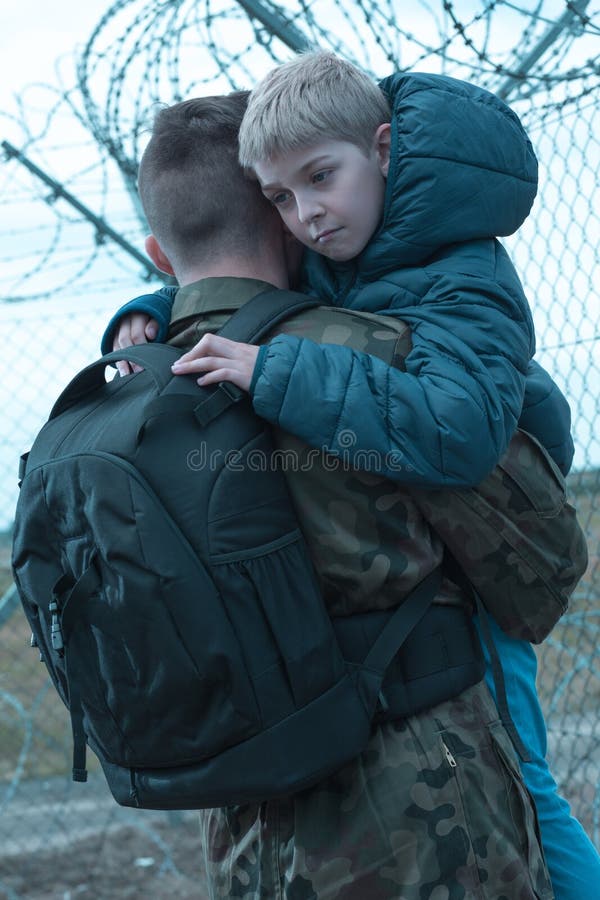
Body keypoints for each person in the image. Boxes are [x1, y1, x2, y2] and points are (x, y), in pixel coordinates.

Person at [102, 66, 600, 896]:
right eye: (281, 199)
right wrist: (154, 307)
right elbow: (235, 272)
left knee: (531, 790)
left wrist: (277, 372)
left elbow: (458, 434)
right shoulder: (344, 241)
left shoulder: (458, 268)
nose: (307, 214)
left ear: (384, 151)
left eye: (320, 178)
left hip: (487, 564)